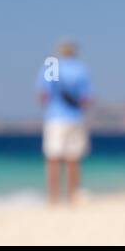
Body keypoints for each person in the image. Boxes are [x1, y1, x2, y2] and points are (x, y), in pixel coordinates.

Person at [37, 40, 92, 203]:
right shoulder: (81, 69)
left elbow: (43, 95)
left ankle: (53, 197)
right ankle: (72, 195)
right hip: (75, 118)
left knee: (53, 159)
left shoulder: (51, 66)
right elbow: (87, 99)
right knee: (73, 159)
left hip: (55, 118)